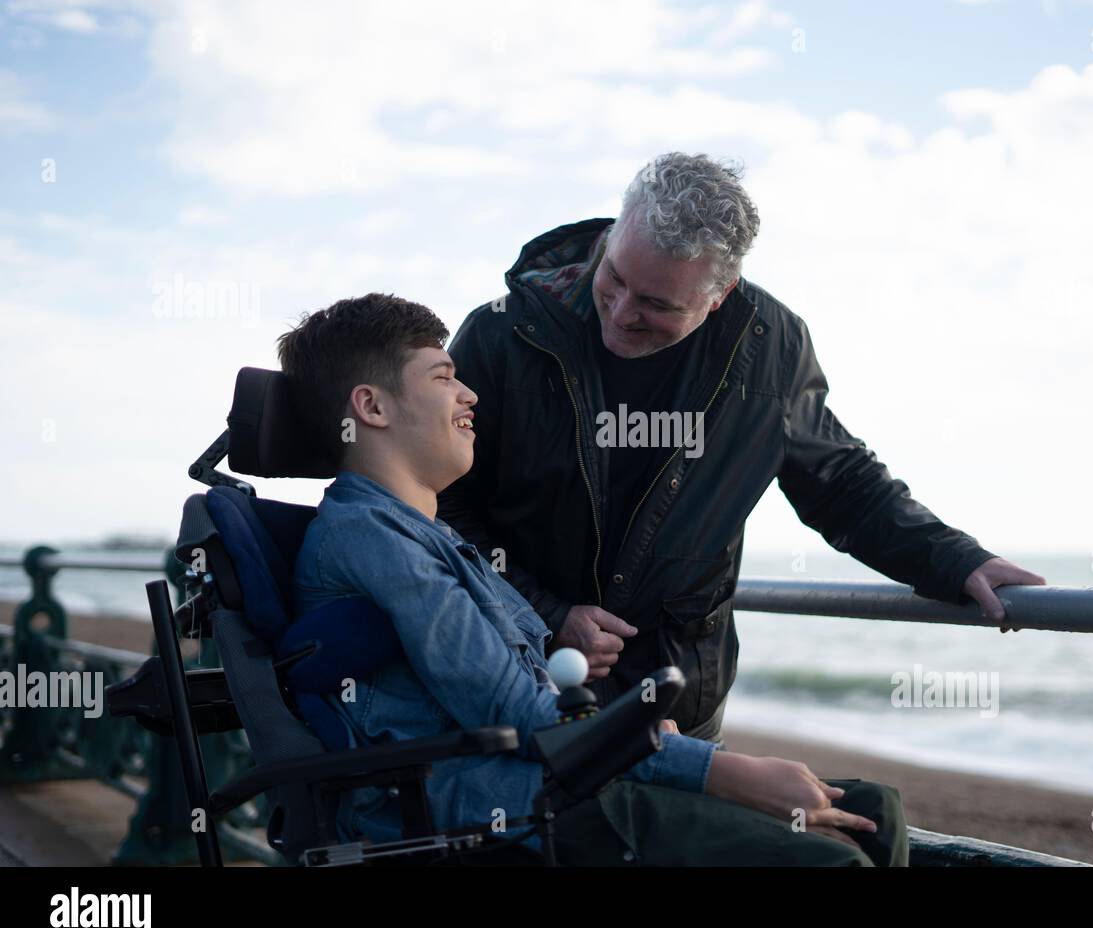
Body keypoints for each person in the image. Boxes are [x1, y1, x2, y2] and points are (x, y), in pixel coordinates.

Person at [281, 292, 907, 866]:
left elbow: (532, 692)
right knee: (835, 860)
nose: (469, 394)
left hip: (558, 777)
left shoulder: (434, 534)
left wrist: (632, 731)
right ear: (371, 405)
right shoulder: (370, 536)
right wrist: (721, 770)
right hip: (505, 812)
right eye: (444, 377)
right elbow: (512, 710)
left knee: (876, 809)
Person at [441, 152, 1047, 743]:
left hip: (679, 696)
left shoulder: (772, 344)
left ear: (720, 293)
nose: (622, 312)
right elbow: (434, 505)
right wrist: (545, 614)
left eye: (657, 304)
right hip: (510, 675)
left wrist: (954, 559)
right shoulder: (502, 331)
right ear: (612, 236)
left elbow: (840, 482)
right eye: (615, 278)